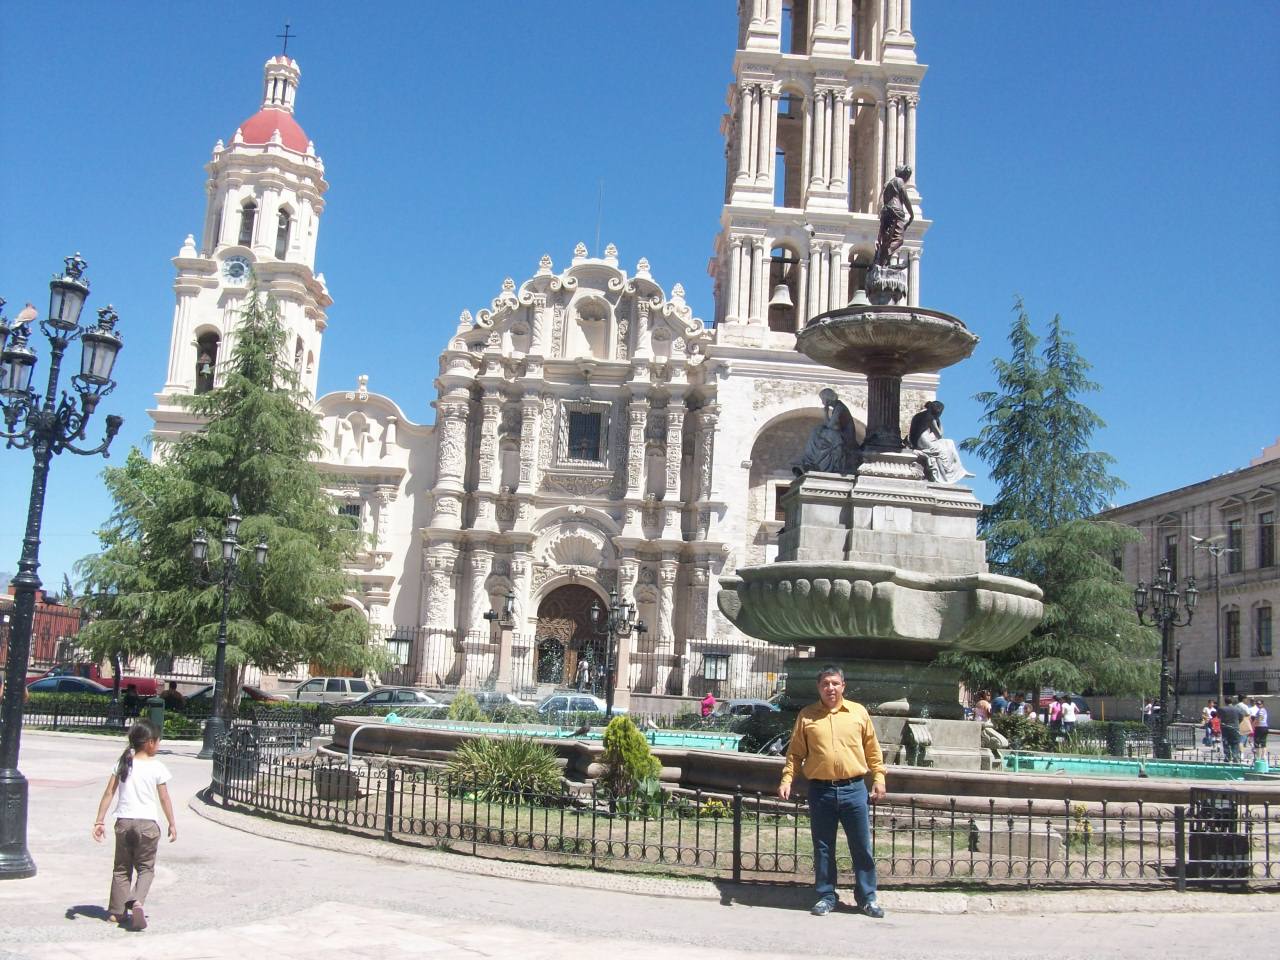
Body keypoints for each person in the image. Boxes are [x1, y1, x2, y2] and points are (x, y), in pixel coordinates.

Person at [779, 666, 887, 919]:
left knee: (861, 846)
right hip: (821, 791)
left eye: (835, 683)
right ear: (819, 688)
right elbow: (795, 754)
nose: (830, 688)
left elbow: (873, 749)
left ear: (843, 686)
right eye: (825, 683)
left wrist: (879, 777)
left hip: (854, 789)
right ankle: (827, 896)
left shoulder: (858, 713)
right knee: (823, 847)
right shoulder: (807, 716)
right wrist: (787, 780)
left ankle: (867, 897)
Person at [92, 720, 177, 930]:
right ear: (149, 743)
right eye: (157, 742)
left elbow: (109, 793)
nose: (158, 745)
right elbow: (165, 798)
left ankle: (116, 913)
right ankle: (137, 900)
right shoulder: (157, 767)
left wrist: (99, 820)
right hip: (147, 824)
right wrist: (172, 823)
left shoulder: (123, 763)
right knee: (146, 868)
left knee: (121, 868)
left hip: (123, 822)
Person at [795, 388, 860, 477]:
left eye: (822, 399)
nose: (822, 402)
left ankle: (812, 463)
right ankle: (809, 461)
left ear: (827, 399)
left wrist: (825, 417)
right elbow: (830, 425)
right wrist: (825, 412)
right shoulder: (836, 407)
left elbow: (830, 425)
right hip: (838, 434)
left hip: (846, 437)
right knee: (817, 431)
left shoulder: (839, 407)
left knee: (817, 434)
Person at [908, 401, 975, 485]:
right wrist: (938, 420)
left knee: (949, 442)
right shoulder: (930, 417)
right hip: (923, 441)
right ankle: (945, 476)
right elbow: (939, 434)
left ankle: (960, 470)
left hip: (918, 440)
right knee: (943, 449)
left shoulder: (920, 415)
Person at [873, 165, 915, 267]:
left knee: (887, 238)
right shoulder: (899, 181)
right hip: (896, 211)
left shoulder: (888, 183)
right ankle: (885, 254)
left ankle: (883, 260)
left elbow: (883, 198)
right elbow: (905, 199)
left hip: (886, 210)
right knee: (899, 239)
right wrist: (911, 214)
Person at [1218, 697, 1243, 762]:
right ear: (1232, 702)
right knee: (1235, 742)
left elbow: (1219, 717)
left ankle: (1227, 757)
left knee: (1226, 742)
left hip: (1225, 727)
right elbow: (1241, 718)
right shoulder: (1237, 709)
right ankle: (1235, 757)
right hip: (1235, 727)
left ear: (1225, 701)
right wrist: (1237, 723)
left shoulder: (1221, 709)